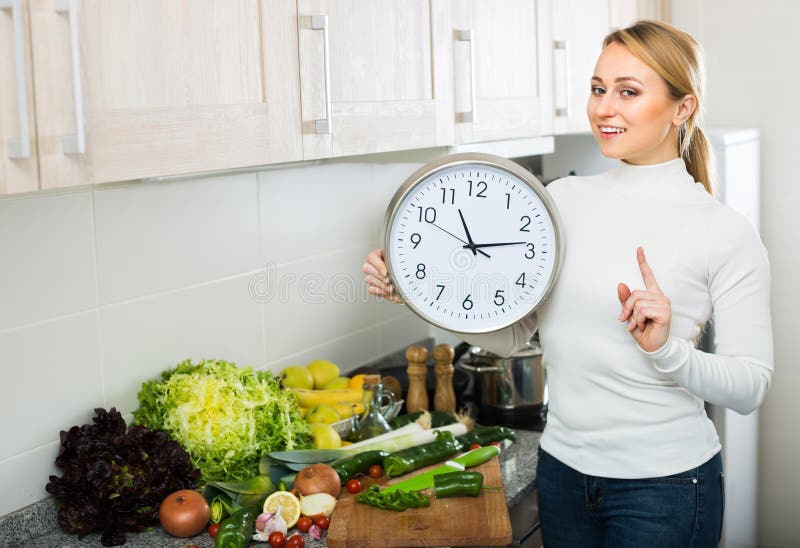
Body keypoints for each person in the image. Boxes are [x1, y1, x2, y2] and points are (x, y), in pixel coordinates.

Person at [362, 20, 773, 547]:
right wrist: (417, 295)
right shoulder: (561, 201)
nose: (604, 108)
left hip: (665, 488)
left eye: (628, 92)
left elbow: (751, 386)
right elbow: (516, 334)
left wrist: (667, 350)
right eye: (598, 89)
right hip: (563, 475)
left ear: (682, 107)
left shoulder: (722, 230)